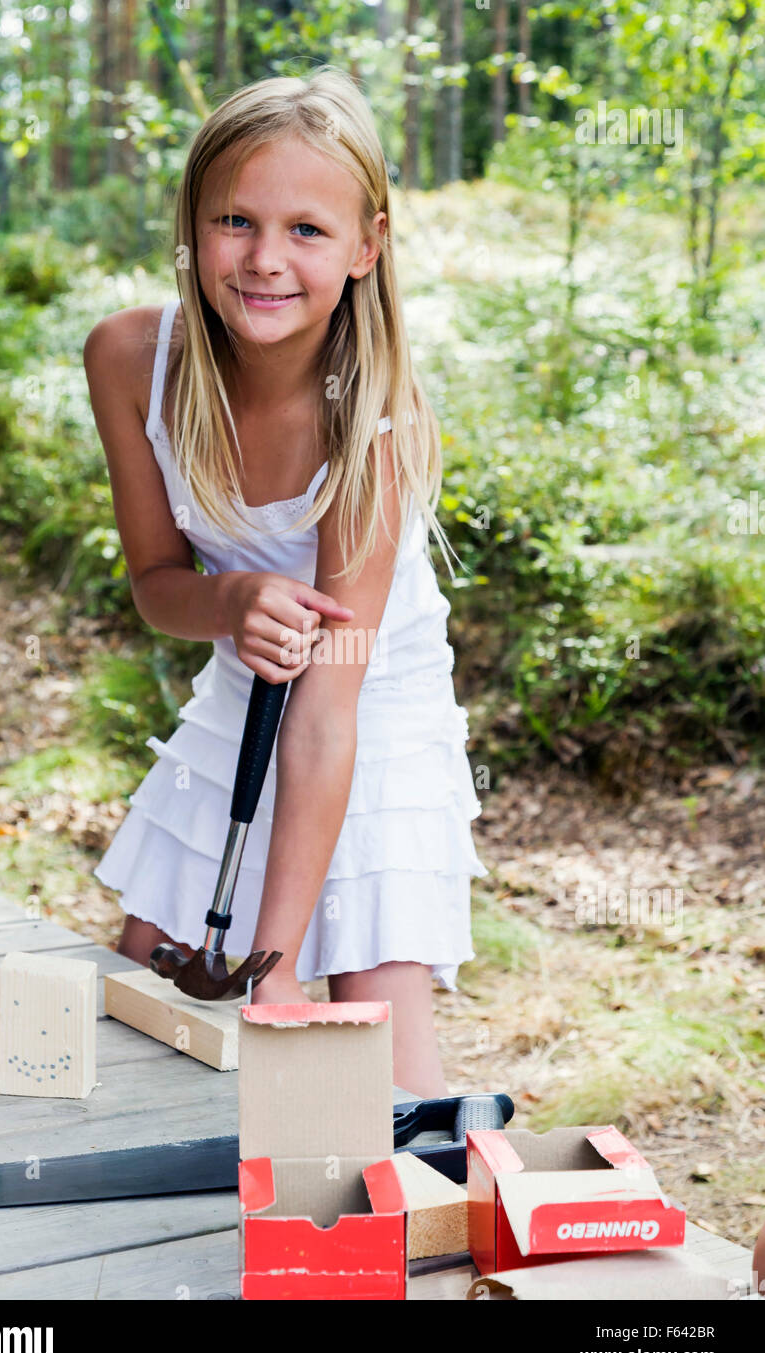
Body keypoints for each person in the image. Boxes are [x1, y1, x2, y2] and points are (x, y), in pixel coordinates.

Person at [83, 66, 487, 1096]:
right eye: (235, 220)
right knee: (148, 1011)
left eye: (306, 229)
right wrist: (226, 601)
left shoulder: (371, 423)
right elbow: (155, 582)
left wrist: (270, 973)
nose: (264, 260)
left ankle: (400, 1221)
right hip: (241, 685)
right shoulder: (133, 360)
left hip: (367, 712)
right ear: (192, 225)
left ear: (366, 246)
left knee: (360, 1060)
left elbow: (325, 712)